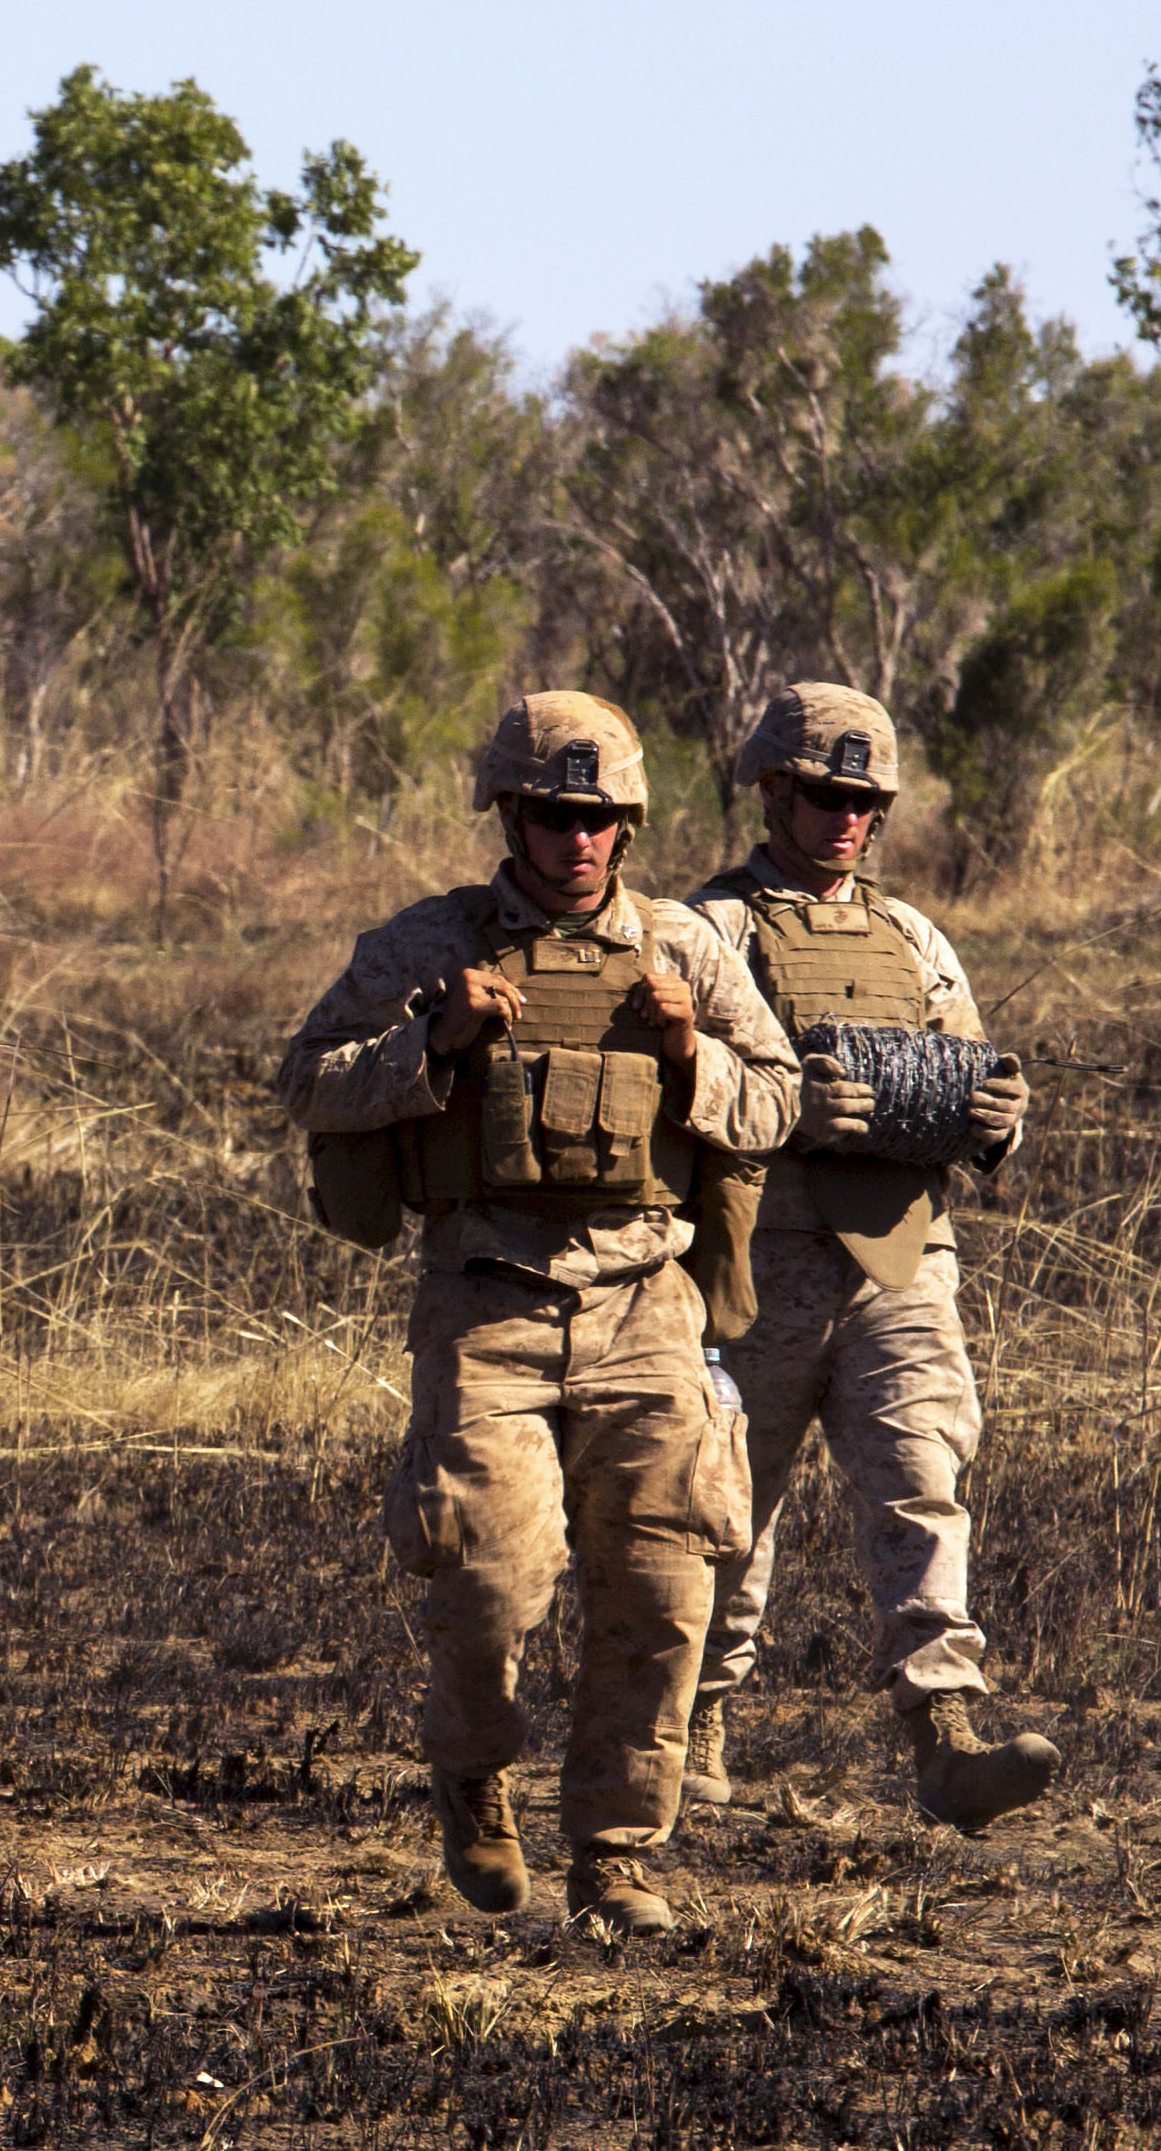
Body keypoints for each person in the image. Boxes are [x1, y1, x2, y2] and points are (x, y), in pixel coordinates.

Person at [278, 693, 797, 1930]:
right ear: (508, 814)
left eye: (601, 819)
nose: (578, 842)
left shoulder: (684, 947)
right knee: (487, 1583)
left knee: (666, 1590)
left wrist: (695, 1059)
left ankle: (616, 1855)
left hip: (647, 1301)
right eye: (555, 816)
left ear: (629, 826)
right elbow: (307, 1082)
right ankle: (473, 1775)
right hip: (486, 1301)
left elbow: (780, 1100)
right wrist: (435, 1041)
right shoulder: (428, 943)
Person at [682, 682, 1058, 1830]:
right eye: (828, 796)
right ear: (775, 791)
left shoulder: (915, 939)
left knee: (922, 1482)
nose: (849, 820)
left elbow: (967, 1065)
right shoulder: (709, 933)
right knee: (724, 1511)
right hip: (758, 1259)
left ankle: (945, 1735)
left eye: (867, 802)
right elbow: (672, 1091)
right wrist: (788, 1109)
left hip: (902, 1261)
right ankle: (692, 1728)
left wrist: (1001, 1116)